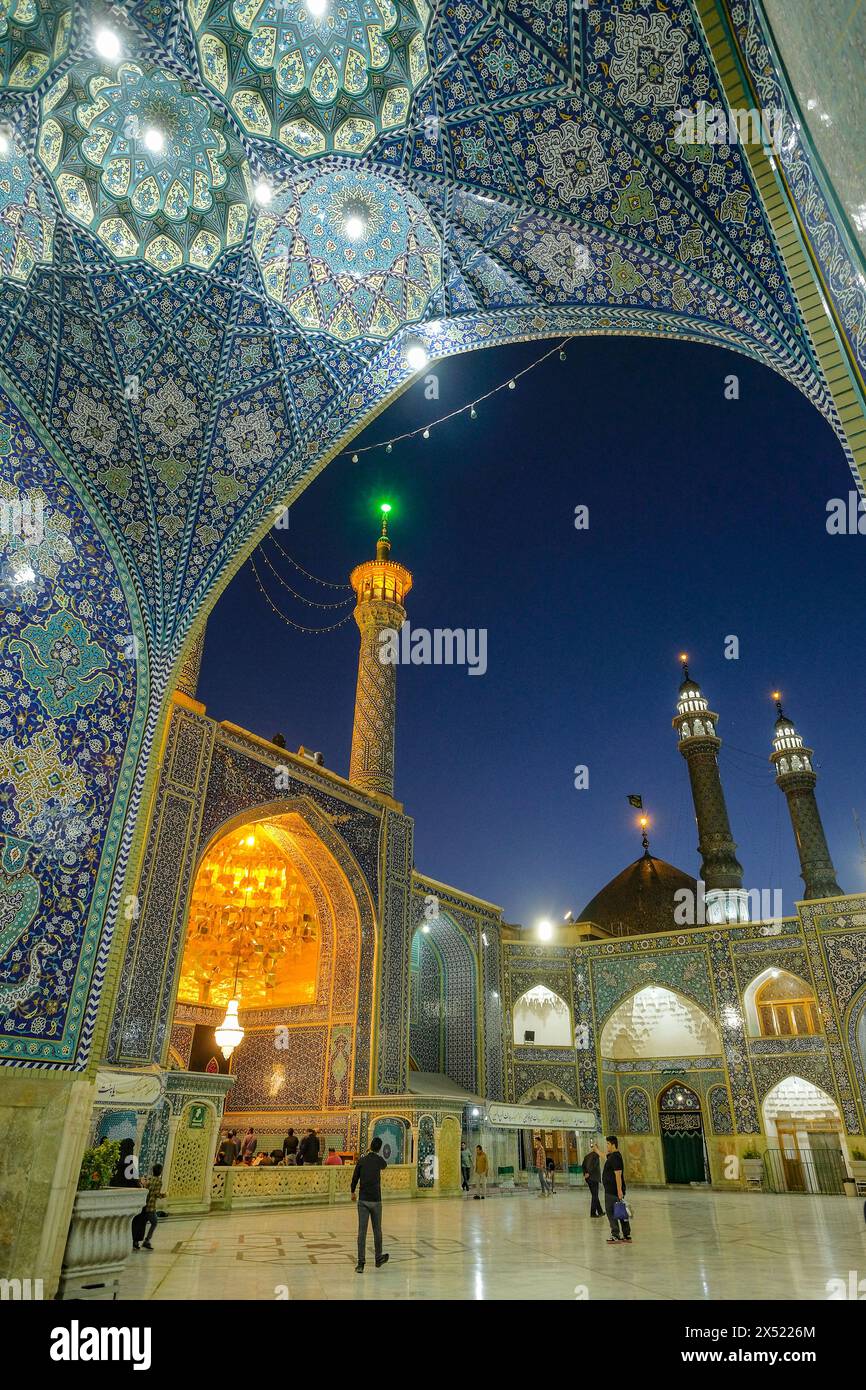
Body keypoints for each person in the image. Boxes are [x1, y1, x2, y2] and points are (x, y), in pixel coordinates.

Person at [351, 1136, 389, 1273]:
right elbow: (385, 1165)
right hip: (376, 1200)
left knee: (362, 1232)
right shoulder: (379, 1160)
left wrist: (352, 1192)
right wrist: (375, 1153)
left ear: (370, 1146)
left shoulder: (362, 1160)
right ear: (379, 1148)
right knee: (377, 1230)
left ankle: (361, 1263)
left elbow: (355, 1176)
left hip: (363, 1200)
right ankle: (378, 1258)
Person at [602, 1136, 631, 1244]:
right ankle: (626, 1235)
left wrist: (619, 1191)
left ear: (613, 1144)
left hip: (612, 1191)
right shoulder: (613, 1157)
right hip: (614, 1190)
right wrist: (597, 1151)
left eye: (608, 1144)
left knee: (611, 1212)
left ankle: (615, 1235)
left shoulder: (615, 1157)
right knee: (621, 1212)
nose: (607, 1146)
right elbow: (605, 1157)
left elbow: (618, 1174)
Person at [133, 1164, 165, 1251]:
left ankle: (135, 1242)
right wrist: (164, 1195)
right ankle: (147, 1240)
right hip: (150, 1207)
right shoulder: (159, 1181)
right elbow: (156, 1194)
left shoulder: (149, 1179)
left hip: (143, 1205)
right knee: (154, 1223)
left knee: (141, 1224)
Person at [582, 1141, 604, 1218]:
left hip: (588, 1179)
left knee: (595, 1195)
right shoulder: (596, 1155)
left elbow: (583, 1166)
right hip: (594, 1178)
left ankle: (600, 1211)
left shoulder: (587, 1156)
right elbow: (594, 1166)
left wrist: (585, 1173)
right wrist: (588, 1173)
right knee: (595, 1196)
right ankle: (593, 1213)